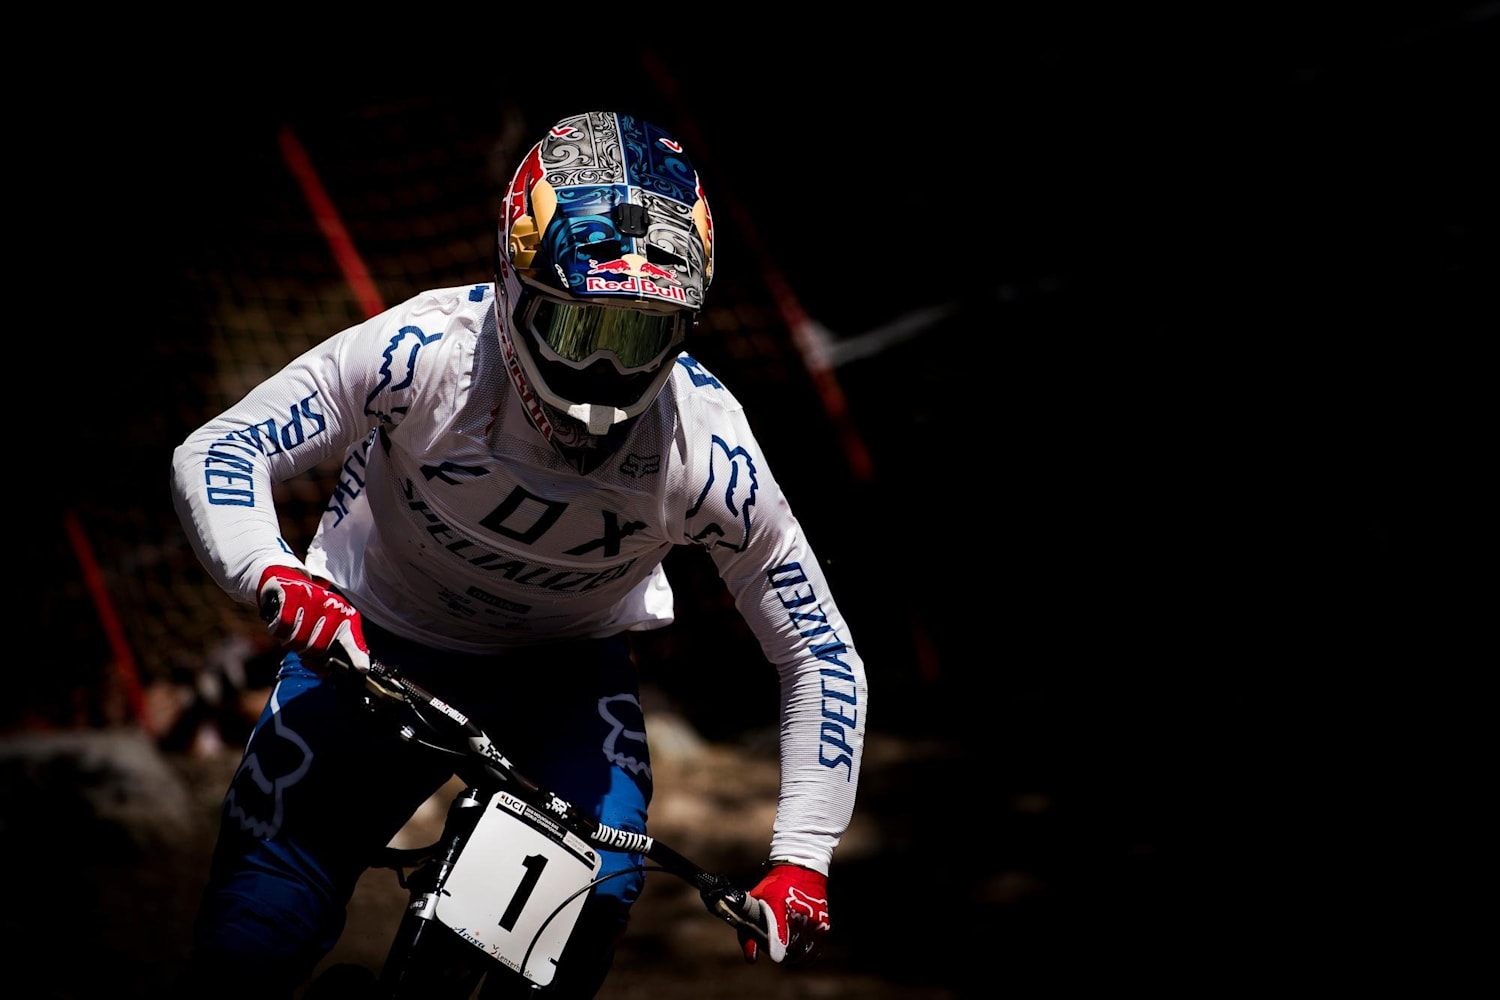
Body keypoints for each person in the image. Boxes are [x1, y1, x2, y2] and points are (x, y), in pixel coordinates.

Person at [169, 109, 868, 999]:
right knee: (253, 939)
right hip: (372, 647)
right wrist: (273, 573)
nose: (607, 382)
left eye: (643, 339)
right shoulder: (422, 351)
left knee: (595, 896)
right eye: (581, 332)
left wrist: (802, 860)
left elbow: (819, 652)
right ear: (511, 281)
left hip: (561, 681)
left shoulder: (710, 447)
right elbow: (221, 448)